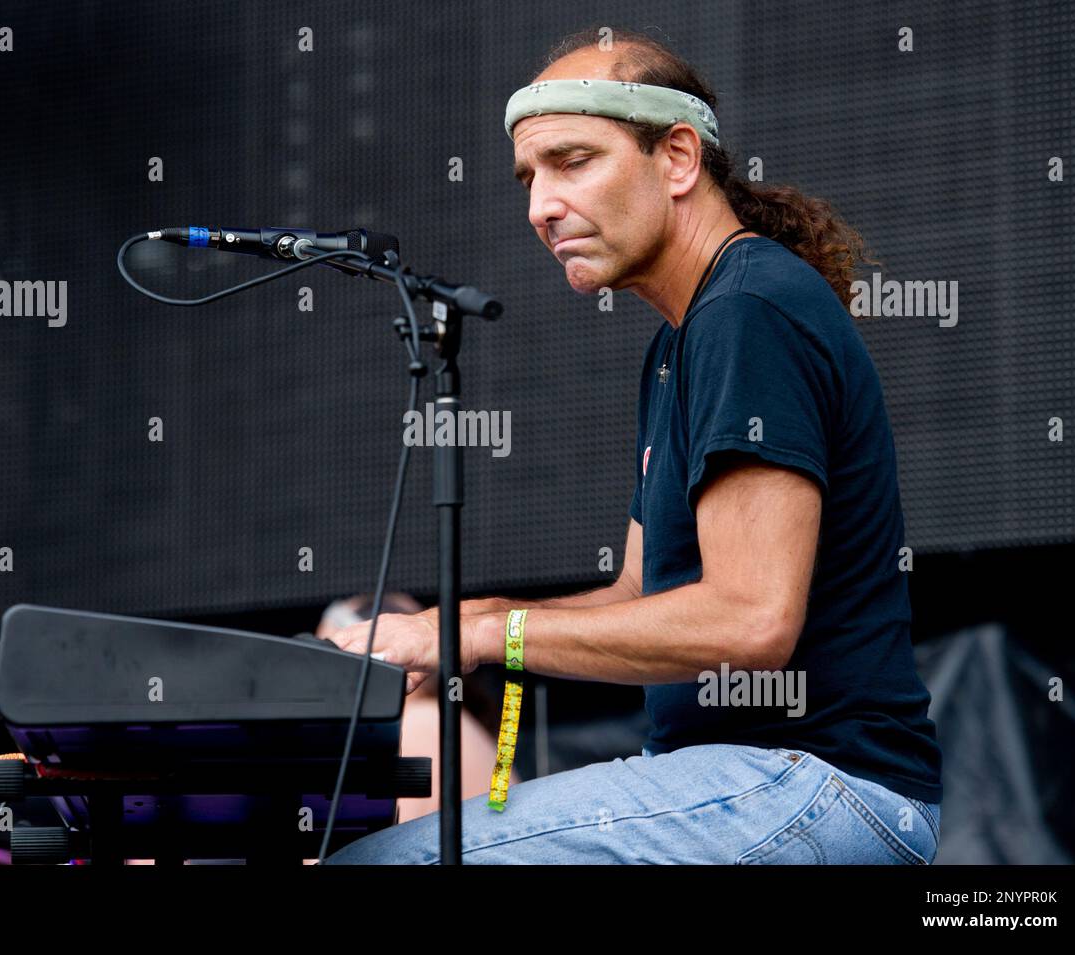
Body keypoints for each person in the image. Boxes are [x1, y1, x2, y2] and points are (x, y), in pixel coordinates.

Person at [323, 27, 942, 864]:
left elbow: (751, 619)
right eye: (529, 177)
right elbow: (640, 591)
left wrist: (487, 634)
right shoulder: (681, 339)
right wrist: (451, 624)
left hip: (817, 782)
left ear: (678, 157)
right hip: (752, 778)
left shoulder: (747, 311)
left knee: (383, 862)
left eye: (572, 161)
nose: (540, 206)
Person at [316, 593, 517, 823]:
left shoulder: (421, 724)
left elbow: (385, 843)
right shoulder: (435, 719)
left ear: (382, 658)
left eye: (329, 662)